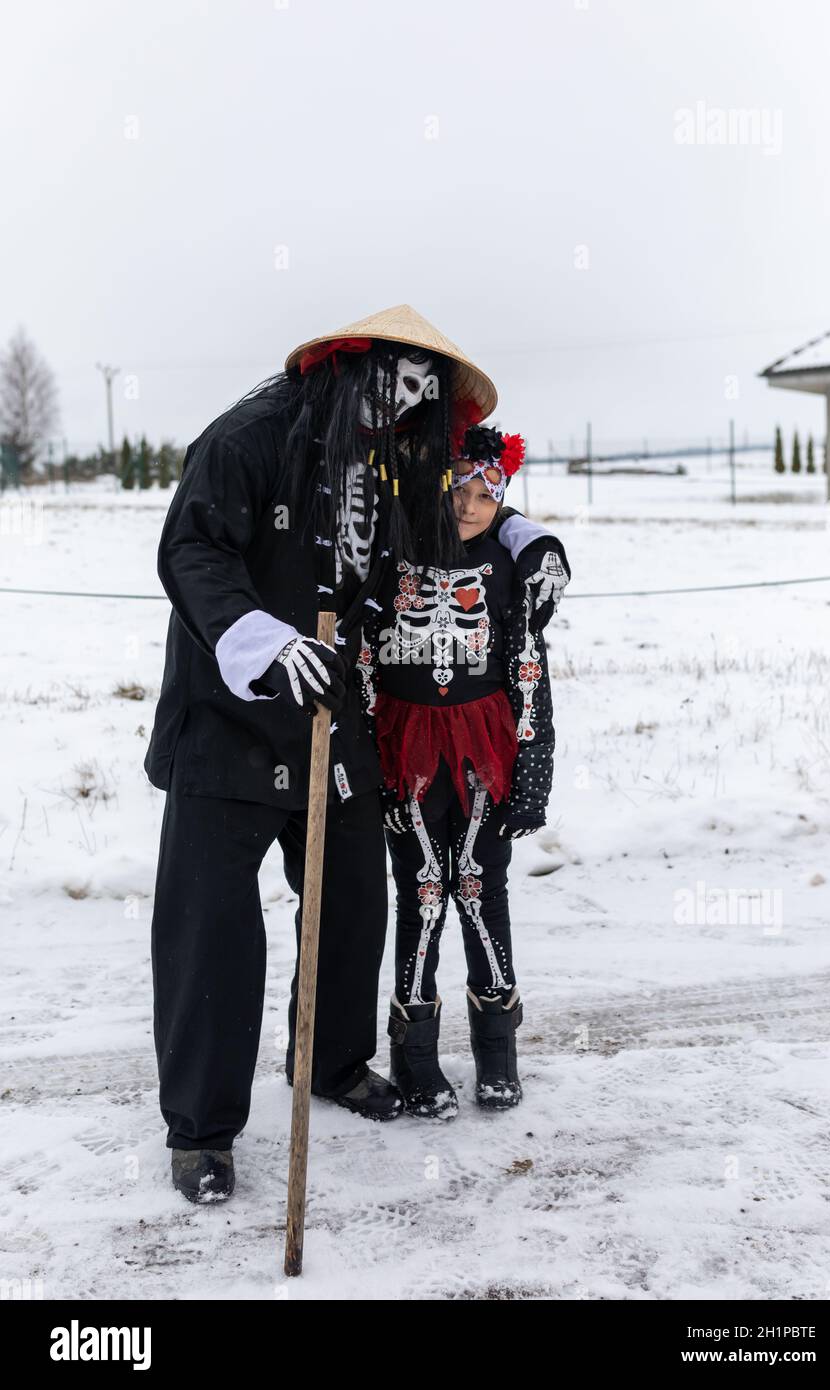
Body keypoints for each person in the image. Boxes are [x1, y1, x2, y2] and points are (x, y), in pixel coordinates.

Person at [144, 304, 570, 1202]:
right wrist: (261, 640)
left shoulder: (400, 457)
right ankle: (201, 1130)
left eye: (422, 392)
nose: (404, 402)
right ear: (344, 369)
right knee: (212, 932)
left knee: (348, 910)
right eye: (393, 382)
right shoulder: (247, 439)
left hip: (335, 722)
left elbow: (472, 501)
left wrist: (530, 541)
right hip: (230, 718)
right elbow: (192, 548)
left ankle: (334, 1063)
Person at [356, 421, 567, 1119]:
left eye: (486, 494)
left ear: (501, 499)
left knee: (479, 889)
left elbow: (529, 670)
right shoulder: (397, 554)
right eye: (458, 492)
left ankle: (497, 1050)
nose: (470, 506)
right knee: (419, 893)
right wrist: (365, 760)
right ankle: (414, 1059)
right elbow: (362, 658)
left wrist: (533, 771)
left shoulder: (510, 566)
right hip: (408, 750)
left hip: (484, 748)